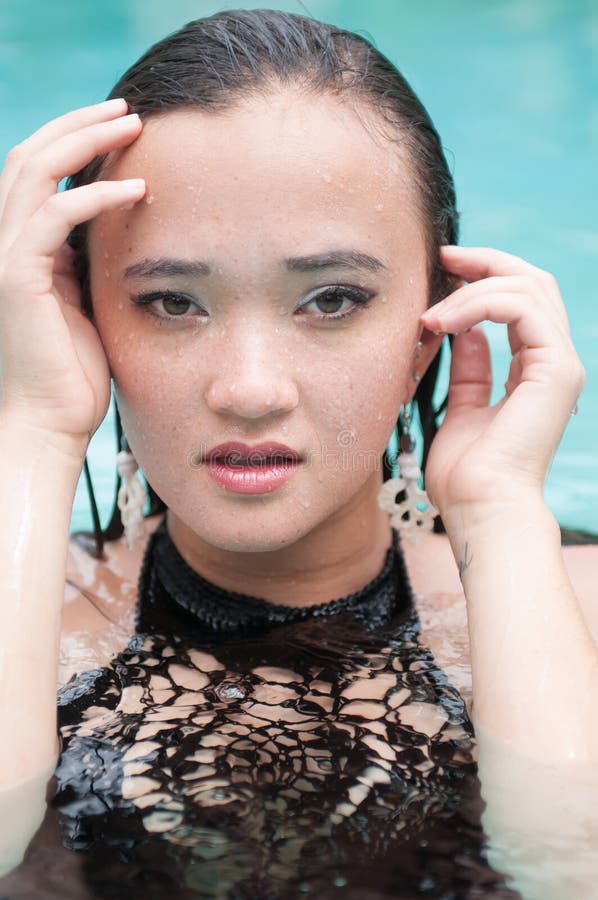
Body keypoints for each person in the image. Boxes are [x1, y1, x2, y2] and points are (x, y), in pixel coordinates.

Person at [1, 9, 597, 898]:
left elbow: (568, 867)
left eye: (330, 300)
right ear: (86, 318)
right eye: (171, 302)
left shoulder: (576, 605)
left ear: (431, 329)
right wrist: (38, 427)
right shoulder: (25, 617)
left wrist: (502, 510)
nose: (249, 389)